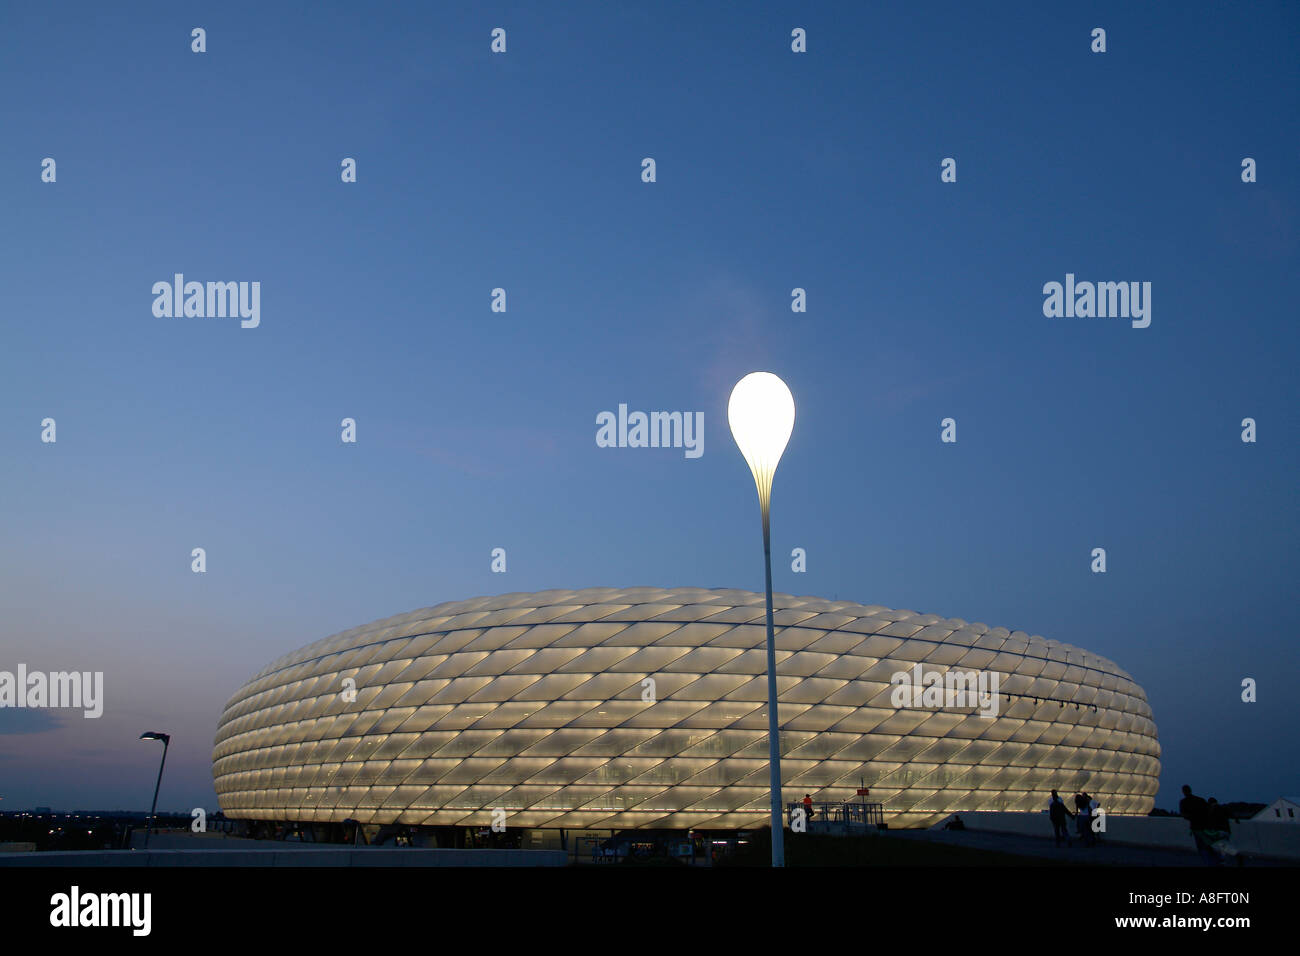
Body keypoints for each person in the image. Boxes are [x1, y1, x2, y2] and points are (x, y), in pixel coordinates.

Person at [1179, 784, 1217, 866]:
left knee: (1201, 846)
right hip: (1205, 825)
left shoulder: (1184, 802)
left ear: (1183, 792)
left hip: (1196, 827)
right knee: (1208, 844)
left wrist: (1191, 817)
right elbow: (1209, 809)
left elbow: (1184, 815)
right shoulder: (1200, 800)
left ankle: (1209, 862)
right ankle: (1216, 860)